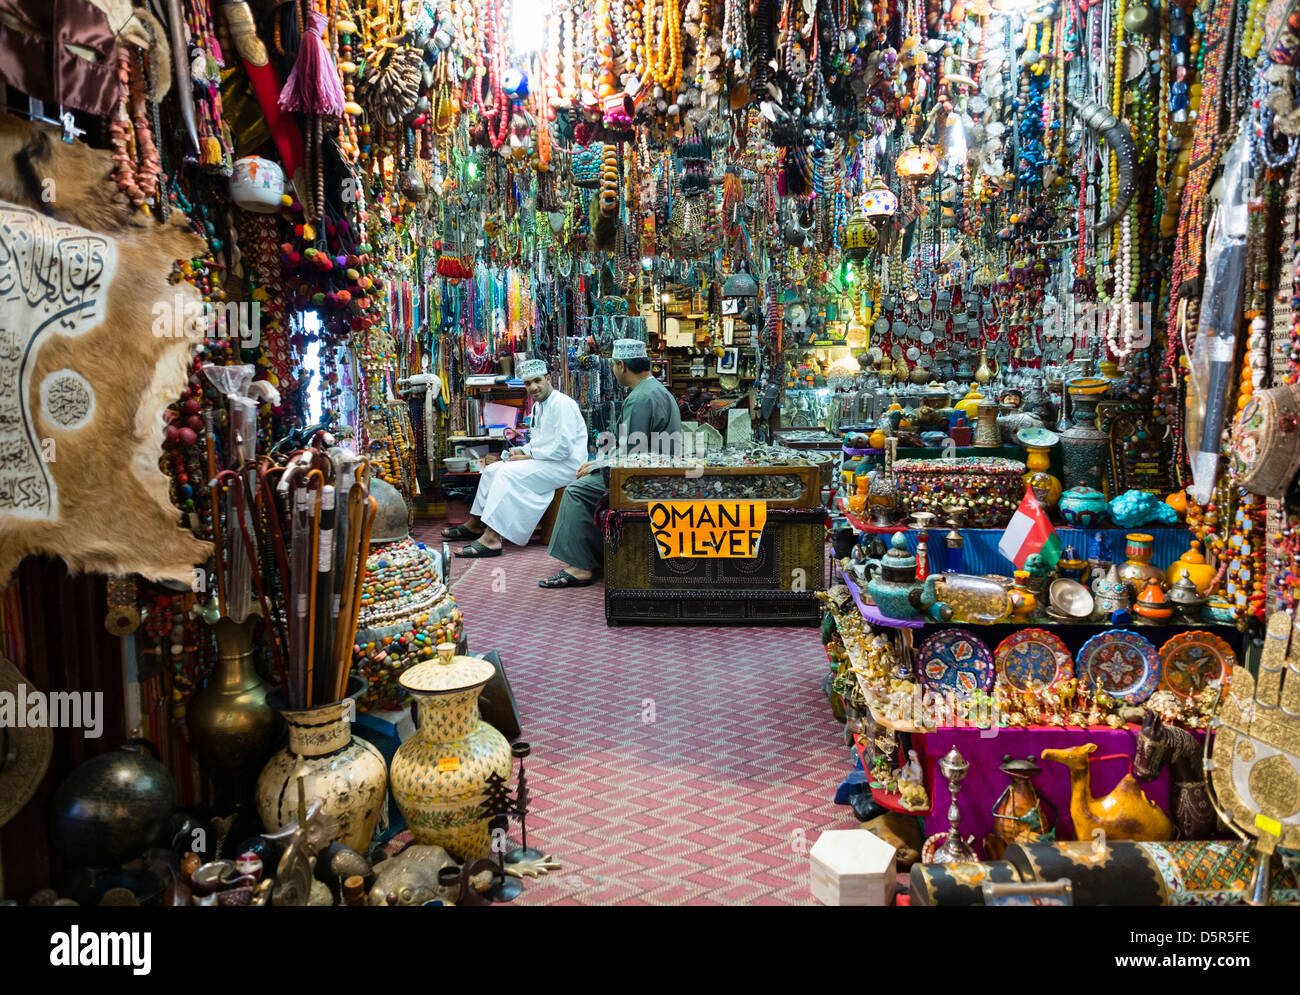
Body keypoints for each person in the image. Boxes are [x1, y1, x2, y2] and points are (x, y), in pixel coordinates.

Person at [540, 338, 682, 588]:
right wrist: (601, 461)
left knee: (576, 491)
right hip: (657, 470)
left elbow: (631, 454)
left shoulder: (640, 398)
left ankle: (581, 566)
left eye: (614, 366)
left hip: (646, 478)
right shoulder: (657, 390)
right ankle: (593, 555)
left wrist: (598, 465)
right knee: (586, 481)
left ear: (621, 366)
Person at [442, 358, 588, 557]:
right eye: (528, 383)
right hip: (547, 461)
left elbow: (563, 449)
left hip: (566, 466)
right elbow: (539, 441)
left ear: (547, 379)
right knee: (492, 470)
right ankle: (476, 523)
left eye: (537, 381)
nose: (533, 387)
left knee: (508, 474)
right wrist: (522, 450)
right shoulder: (538, 406)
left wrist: (528, 455)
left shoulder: (562, 404)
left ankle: (492, 538)